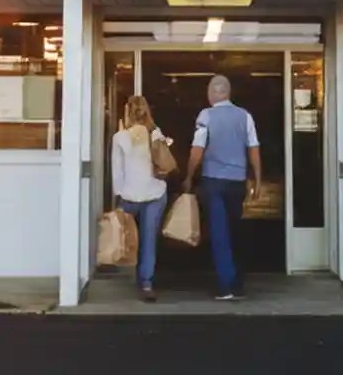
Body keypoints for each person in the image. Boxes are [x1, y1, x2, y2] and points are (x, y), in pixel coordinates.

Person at [183, 74, 262, 301]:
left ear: (213, 93)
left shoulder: (206, 115)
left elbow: (197, 148)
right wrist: (257, 179)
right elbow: (254, 149)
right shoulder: (245, 116)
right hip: (237, 181)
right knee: (234, 229)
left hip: (214, 180)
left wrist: (189, 175)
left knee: (219, 233)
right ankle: (238, 283)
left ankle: (225, 285)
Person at [110, 95, 169, 302]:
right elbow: (165, 161)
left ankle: (121, 273)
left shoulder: (120, 138)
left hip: (130, 195)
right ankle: (146, 283)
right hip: (155, 193)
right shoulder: (155, 133)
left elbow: (117, 172)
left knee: (123, 236)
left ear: (127, 112)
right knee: (148, 239)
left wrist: (118, 198)